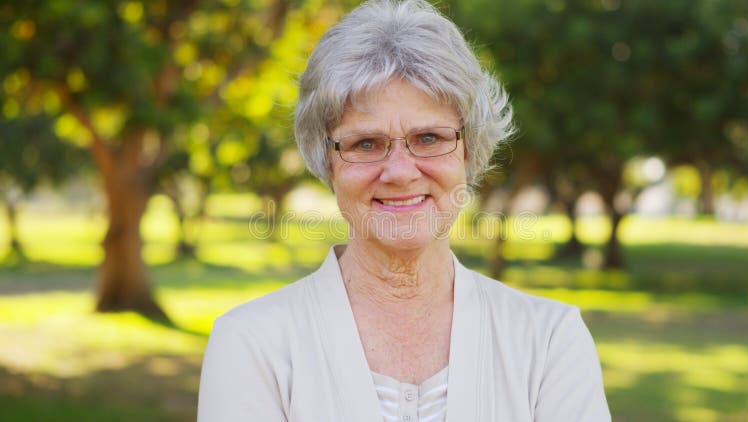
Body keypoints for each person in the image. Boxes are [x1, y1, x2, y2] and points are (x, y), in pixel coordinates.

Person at [197, 0, 611, 421]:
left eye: (429, 138)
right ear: (327, 162)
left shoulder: (549, 343)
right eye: (366, 143)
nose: (399, 171)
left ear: (469, 151)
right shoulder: (251, 344)